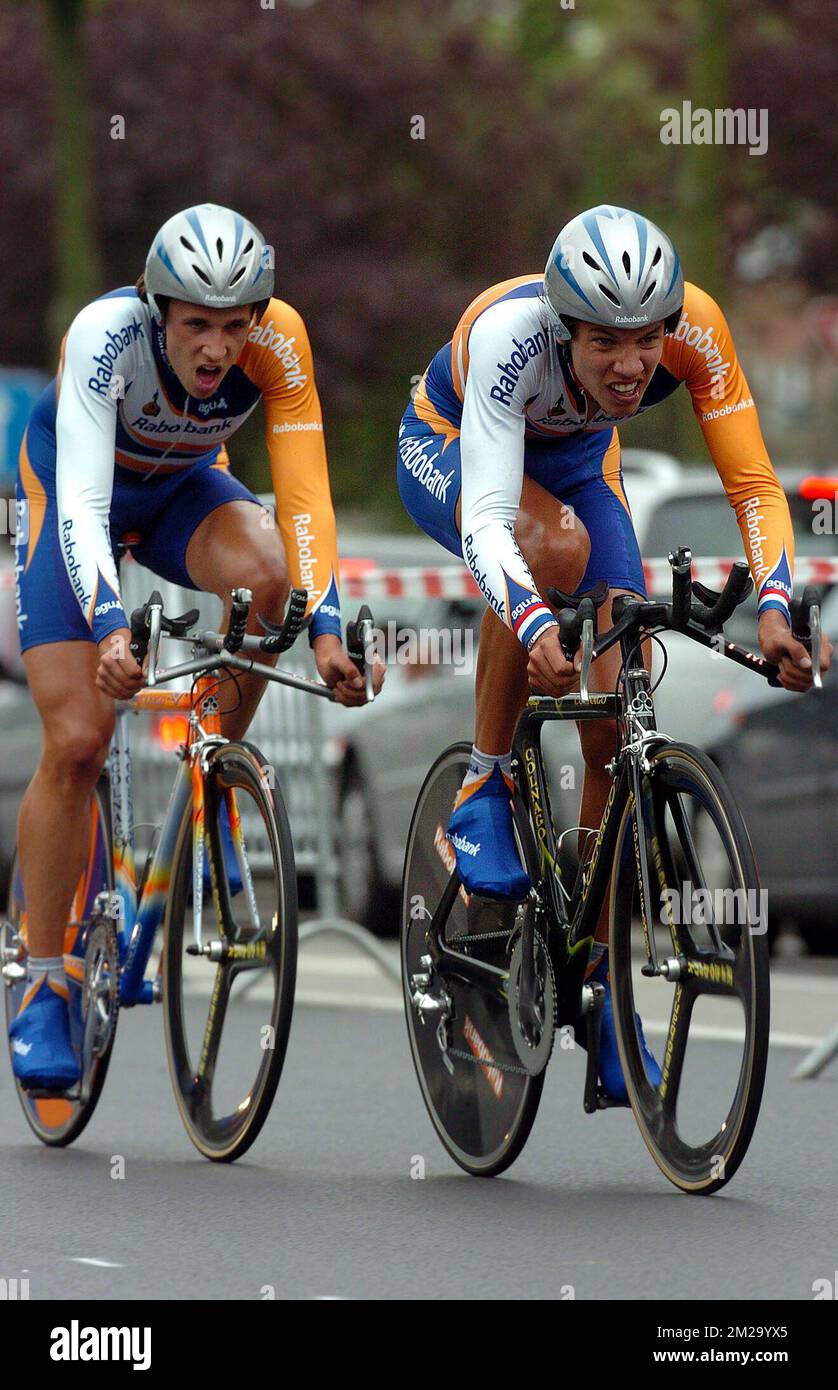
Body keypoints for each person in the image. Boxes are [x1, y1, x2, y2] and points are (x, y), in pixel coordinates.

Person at [397, 203, 832, 1101]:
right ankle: (485, 781)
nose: (632, 364)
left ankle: (593, 975)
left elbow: (752, 481)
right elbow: (488, 523)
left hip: (579, 466)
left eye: (646, 339)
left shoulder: (697, 331)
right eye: (604, 343)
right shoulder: (508, 333)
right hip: (452, 452)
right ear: (564, 326)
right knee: (547, 550)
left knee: (619, 713)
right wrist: (529, 622)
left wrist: (781, 606)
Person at [10, 202, 383, 1091]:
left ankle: (214, 754)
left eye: (233, 326)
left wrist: (325, 624)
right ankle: (41, 980)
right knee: (77, 741)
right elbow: (84, 510)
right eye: (196, 326)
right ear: (157, 310)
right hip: (76, 498)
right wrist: (106, 625)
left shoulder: (279, 342)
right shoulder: (106, 335)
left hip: (183, 493)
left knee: (268, 576)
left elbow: (304, 498)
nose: (217, 349)